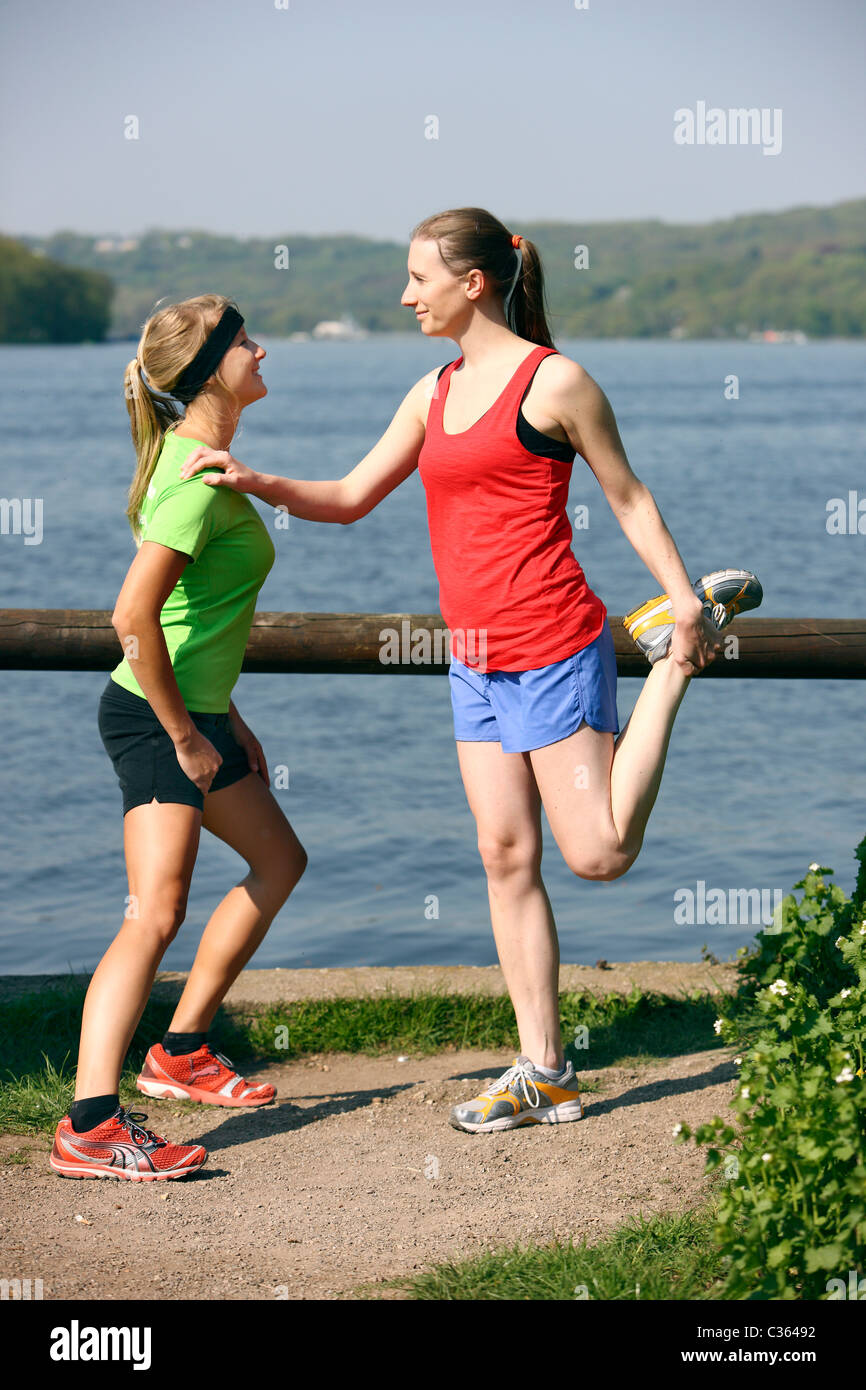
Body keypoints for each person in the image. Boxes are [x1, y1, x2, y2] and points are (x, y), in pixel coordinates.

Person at [178, 209, 761, 1136]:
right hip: (475, 661)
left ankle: (666, 662)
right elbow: (353, 496)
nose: (406, 296)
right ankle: (546, 1071)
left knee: (598, 854)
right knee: (504, 857)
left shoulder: (556, 381)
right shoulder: (431, 392)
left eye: (419, 279)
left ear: (474, 282)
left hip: (553, 646)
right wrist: (260, 481)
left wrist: (681, 595)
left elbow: (627, 493)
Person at [50, 295, 307, 1182]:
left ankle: (182, 1051)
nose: (262, 348)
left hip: (196, 714)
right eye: (246, 341)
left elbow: (200, 620)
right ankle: (90, 1123)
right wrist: (185, 736)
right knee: (153, 913)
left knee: (278, 861)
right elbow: (134, 617)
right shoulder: (193, 481)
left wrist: (225, 716)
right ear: (207, 371)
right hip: (157, 720)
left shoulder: (200, 462)